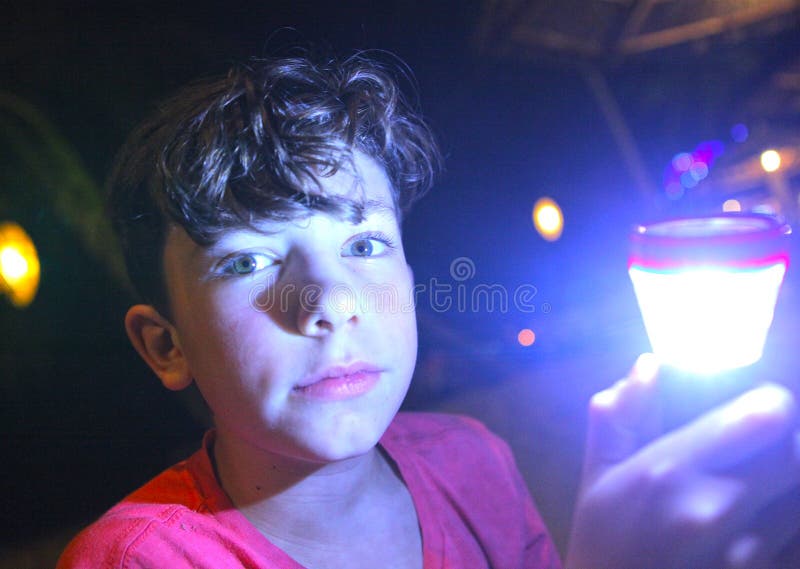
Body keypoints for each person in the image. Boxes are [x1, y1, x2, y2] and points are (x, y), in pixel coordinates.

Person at [57, 51, 800, 569]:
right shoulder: (134, 557)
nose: (333, 301)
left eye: (365, 242)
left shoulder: (471, 458)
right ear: (165, 345)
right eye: (248, 261)